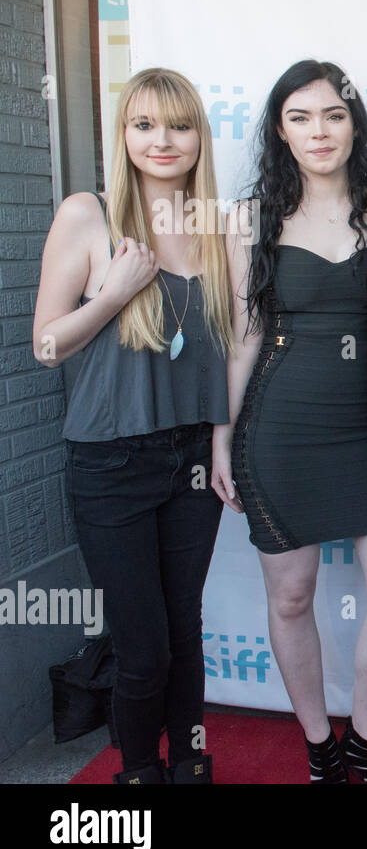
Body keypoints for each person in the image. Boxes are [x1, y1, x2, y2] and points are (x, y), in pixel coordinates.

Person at [211, 60, 367, 783]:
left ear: (354, 122)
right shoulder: (250, 219)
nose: (318, 130)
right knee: (292, 594)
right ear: (280, 130)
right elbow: (242, 336)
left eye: (333, 114)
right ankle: (318, 747)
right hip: (279, 426)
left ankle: (365, 743)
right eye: (299, 117)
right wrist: (220, 434)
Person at [33, 67, 233, 783]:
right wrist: (113, 293)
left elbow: (231, 348)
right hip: (110, 463)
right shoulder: (87, 214)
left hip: (192, 464)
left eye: (178, 125)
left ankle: (190, 764)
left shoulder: (216, 227)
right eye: (144, 124)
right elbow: (47, 344)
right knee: (143, 646)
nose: (162, 140)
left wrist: (220, 439)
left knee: (185, 632)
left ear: (198, 136)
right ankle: (137, 774)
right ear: (123, 134)